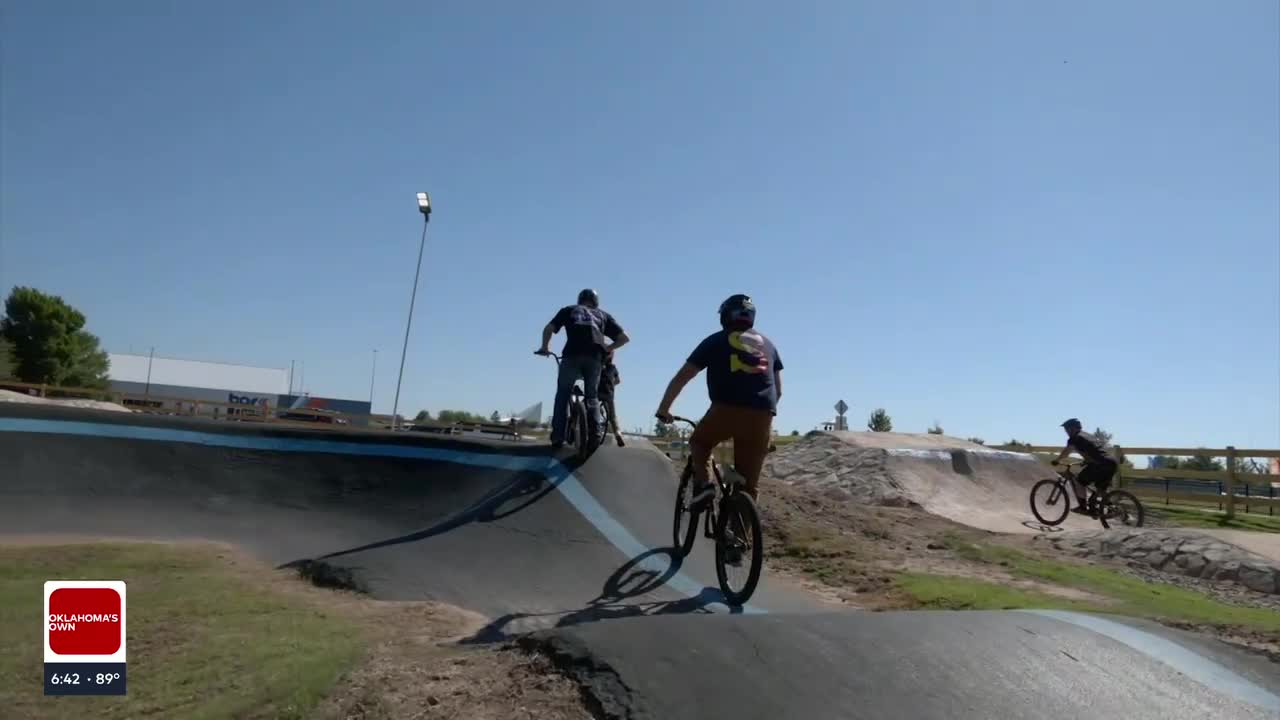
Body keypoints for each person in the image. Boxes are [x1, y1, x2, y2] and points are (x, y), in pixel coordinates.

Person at [655, 293, 782, 507]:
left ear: (725, 316)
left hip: (726, 409)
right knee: (749, 486)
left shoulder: (716, 340)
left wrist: (664, 409)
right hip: (763, 414)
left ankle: (704, 486)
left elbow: (682, 377)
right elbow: (778, 390)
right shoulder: (769, 345)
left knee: (700, 442)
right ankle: (739, 537)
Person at [536, 288, 629, 449]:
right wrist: (609, 348)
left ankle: (558, 436)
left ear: (579, 300)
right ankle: (596, 433)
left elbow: (548, 328)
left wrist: (545, 347)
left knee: (563, 394)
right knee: (592, 396)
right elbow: (624, 338)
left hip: (571, 354)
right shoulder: (603, 315)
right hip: (595, 358)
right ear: (596, 302)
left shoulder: (569, 310)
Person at [1051, 418, 1118, 514]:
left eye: (1067, 429)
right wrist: (1087, 461)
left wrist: (1056, 460)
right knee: (1100, 488)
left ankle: (1083, 507)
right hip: (1111, 462)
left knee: (1079, 481)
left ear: (1072, 428)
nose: (1066, 431)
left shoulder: (1074, 438)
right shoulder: (1088, 436)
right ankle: (1114, 510)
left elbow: (1066, 452)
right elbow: (1095, 450)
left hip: (1100, 464)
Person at [597, 349, 625, 447]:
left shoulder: (597, 365)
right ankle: (618, 433)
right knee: (613, 417)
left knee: (586, 404)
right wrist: (611, 385)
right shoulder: (613, 367)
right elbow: (618, 381)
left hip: (597, 393)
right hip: (609, 395)